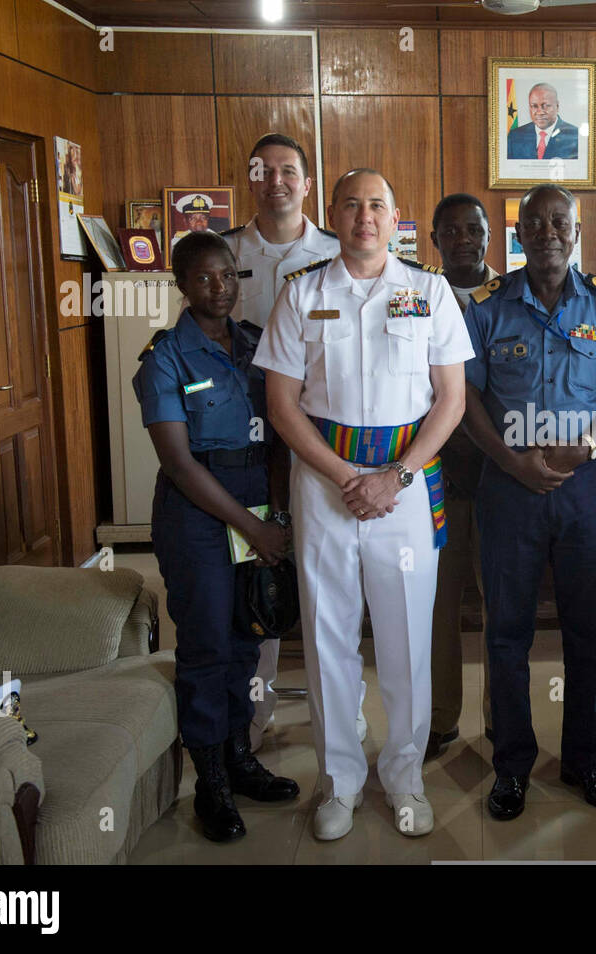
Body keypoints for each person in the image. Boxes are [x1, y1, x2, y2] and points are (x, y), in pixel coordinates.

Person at [255, 169, 473, 841]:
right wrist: (348, 475)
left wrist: (394, 478)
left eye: (377, 204)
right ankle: (340, 779)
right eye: (351, 205)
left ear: (396, 216)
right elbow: (281, 404)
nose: (364, 217)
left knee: (408, 637)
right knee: (326, 637)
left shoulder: (429, 291)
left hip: (405, 487)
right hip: (324, 483)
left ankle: (404, 774)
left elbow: (452, 400)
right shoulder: (303, 293)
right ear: (335, 215)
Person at [462, 184, 596, 821]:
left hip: (586, 485)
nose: (546, 232)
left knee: (588, 627)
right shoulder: (487, 306)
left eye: (558, 222)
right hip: (508, 483)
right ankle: (511, 765)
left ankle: (583, 759)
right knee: (506, 630)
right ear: (518, 234)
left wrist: (590, 443)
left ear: (575, 230)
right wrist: (513, 460)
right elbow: (466, 399)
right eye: (533, 223)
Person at [132, 231, 300, 842]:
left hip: (258, 510)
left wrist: (276, 517)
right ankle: (210, 783)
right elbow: (180, 463)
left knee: (245, 640)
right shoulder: (165, 359)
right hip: (198, 518)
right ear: (181, 284)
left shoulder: (258, 347)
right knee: (205, 647)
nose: (219, 287)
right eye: (204, 277)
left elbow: (281, 438)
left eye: (228, 275)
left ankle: (239, 756)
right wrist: (253, 525)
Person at [216, 133, 357, 754]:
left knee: (335, 582)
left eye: (289, 171)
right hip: (247, 434)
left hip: (321, 433)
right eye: (263, 170)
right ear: (250, 179)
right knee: (259, 564)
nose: (276, 180)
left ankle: (344, 716)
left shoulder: (335, 250)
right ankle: (255, 712)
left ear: (307, 183)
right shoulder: (223, 252)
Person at [425, 193, 499, 758]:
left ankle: (502, 720)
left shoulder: (514, 295)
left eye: (472, 229)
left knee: (503, 604)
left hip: (501, 474)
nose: (463, 240)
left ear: (489, 236)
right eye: (450, 232)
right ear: (435, 241)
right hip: (436, 477)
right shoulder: (413, 297)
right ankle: (440, 720)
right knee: (438, 607)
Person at [506, 83, 580, 160]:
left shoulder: (575, 136)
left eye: (545, 106)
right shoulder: (515, 136)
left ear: (557, 106)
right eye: (534, 106)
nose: (540, 112)